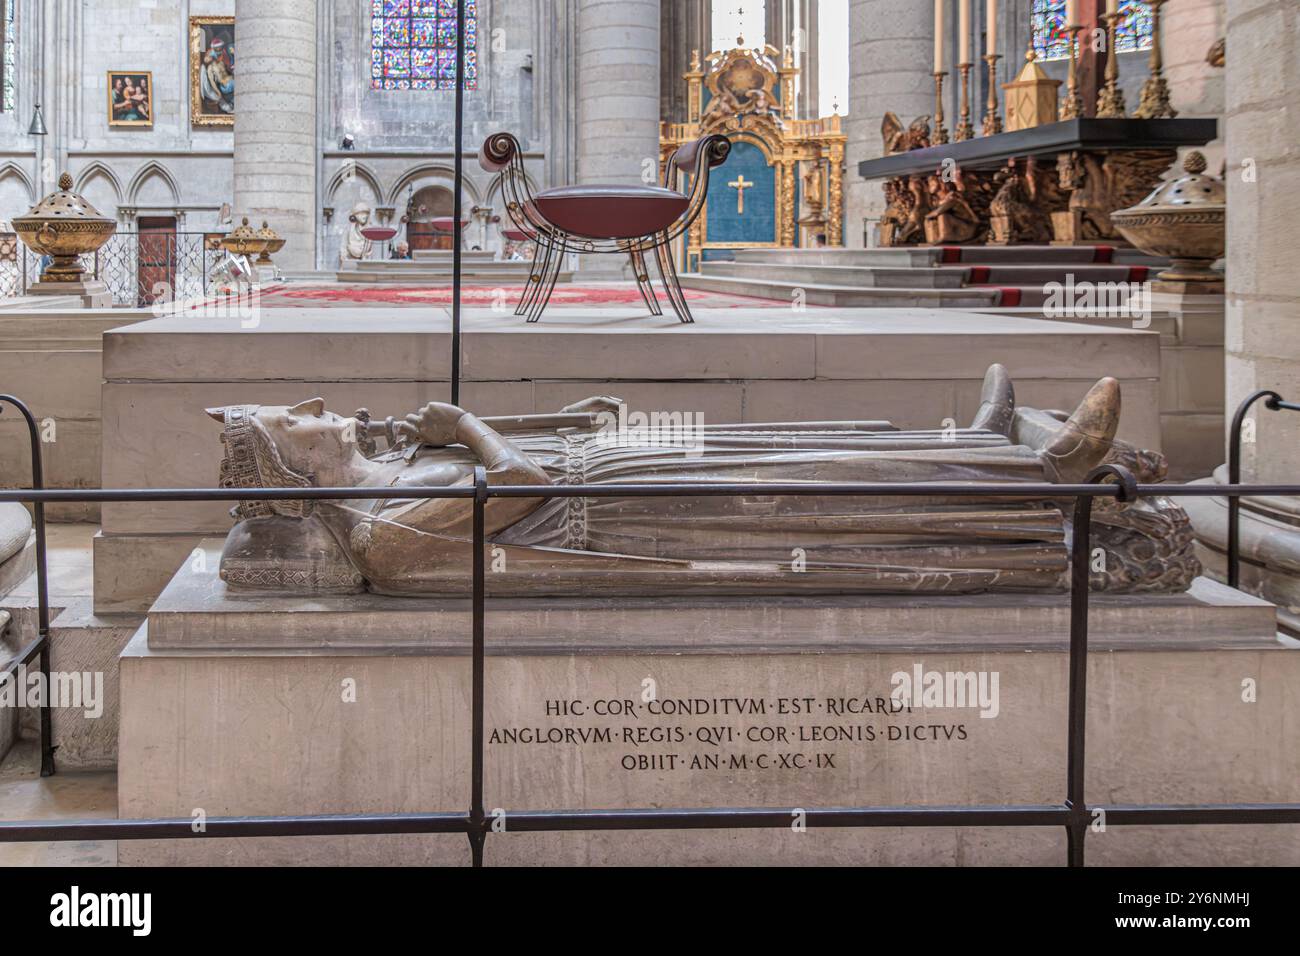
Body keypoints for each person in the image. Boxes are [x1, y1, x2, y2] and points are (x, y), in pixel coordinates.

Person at [206, 367, 1198, 598]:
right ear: (296, 471)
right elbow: (514, 484)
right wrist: (462, 421)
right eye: (299, 422)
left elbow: (527, 458)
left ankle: (982, 450)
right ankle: (1038, 476)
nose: (322, 411)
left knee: (800, 444)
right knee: (805, 491)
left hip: (614, 476)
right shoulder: (377, 529)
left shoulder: (382, 469)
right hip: (628, 520)